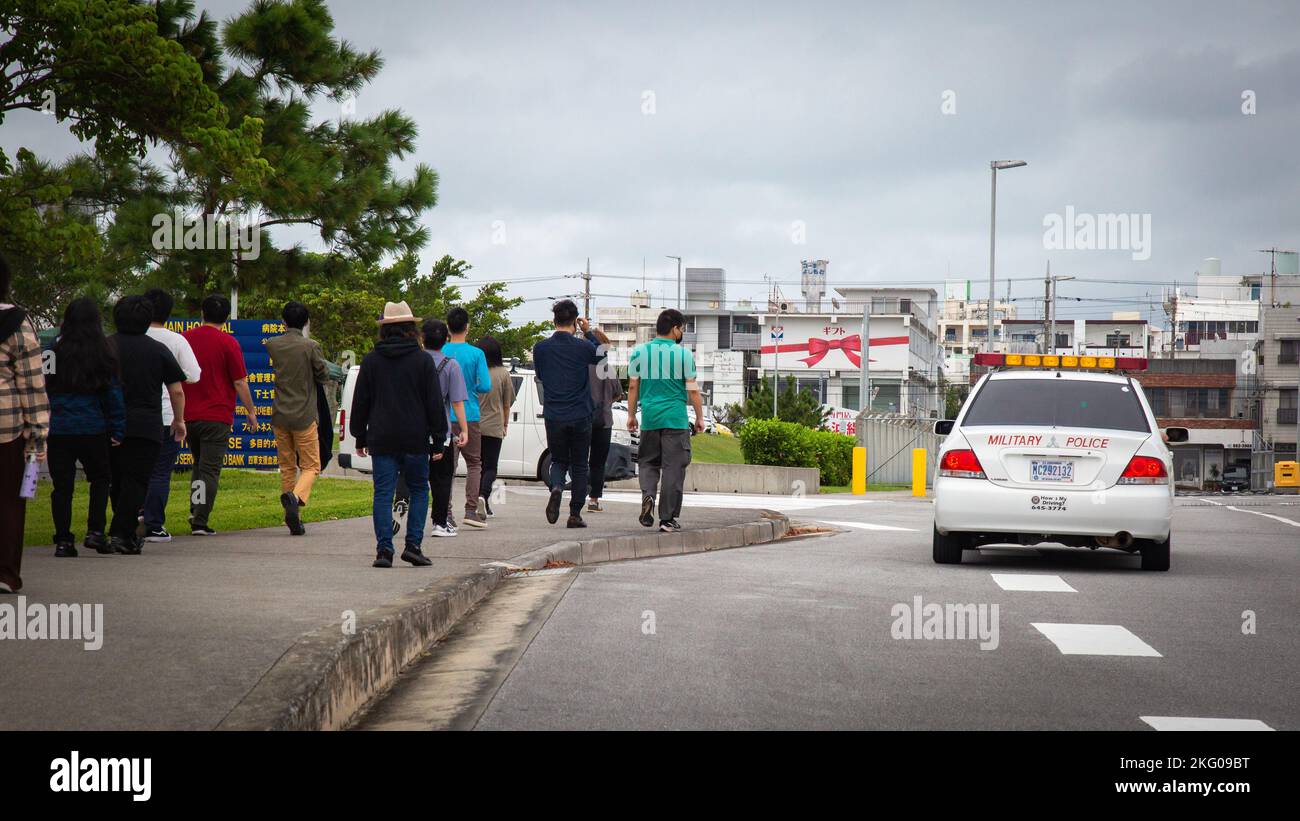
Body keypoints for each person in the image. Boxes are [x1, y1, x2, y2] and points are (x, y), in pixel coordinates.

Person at [350, 302, 446, 568]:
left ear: (385, 330)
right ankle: (413, 546)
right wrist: (439, 439)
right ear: (411, 329)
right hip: (415, 437)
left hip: (381, 437)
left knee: (383, 493)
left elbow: (362, 402)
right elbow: (434, 403)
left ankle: (384, 550)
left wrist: (360, 436)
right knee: (418, 490)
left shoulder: (371, 360)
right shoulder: (423, 360)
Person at [45, 298, 126, 557]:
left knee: (62, 486)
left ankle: (63, 540)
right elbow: (113, 394)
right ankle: (95, 532)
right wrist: (117, 428)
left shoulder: (53, 350)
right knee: (101, 479)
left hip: (58, 428)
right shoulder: (103, 351)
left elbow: (43, 388)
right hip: (93, 426)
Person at [107, 296, 187, 555]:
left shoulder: (106, 347)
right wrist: (179, 419)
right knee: (137, 479)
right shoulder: (157, 349)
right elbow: (176, 390)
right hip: (147, 425)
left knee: (116, 479)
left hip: (110, 423)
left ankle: (123, 529)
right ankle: (122, 532)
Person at [182, 294, 259, 536]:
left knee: (197, 464)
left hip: (188, 415)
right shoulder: (229, 343)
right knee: (210, 469)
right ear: (226, 317)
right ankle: (200, 520)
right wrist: (251, 411)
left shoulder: (185, 339)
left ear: (202, 313)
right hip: (216, 417)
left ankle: (195, 508)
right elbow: (239, 382)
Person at [627, 308, 703, 533]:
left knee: (648, 463)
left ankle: (649, 496)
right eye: (682, 329)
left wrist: (631, 415)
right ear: (675, 329)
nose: (682, 333)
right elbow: (693, 390)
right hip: (676, 421)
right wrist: (699, 417)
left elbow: (633, 386)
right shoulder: (683, 355)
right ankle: (667, 518)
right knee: (673, 469)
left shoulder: (639, 352)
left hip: (650, 418)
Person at [0, 252, 50, 592]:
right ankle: (5, 572)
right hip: (6, 428)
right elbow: (31, 383)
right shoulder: (17, 321)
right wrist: (37, 436)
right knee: (8, 501)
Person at [531, 299, 605, 528]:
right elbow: (602, 358)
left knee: (559, 459)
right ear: (574, 321)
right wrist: (589, 332)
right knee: (580, 464)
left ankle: (556, 487)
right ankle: (574, 514)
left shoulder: (540, 348)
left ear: (554, 321)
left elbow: (541, 376)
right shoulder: (583, 347)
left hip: (554, 413)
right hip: (580, 413)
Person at [141, 288, 201, 543]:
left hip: (130, 416)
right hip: (165, 415)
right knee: (159, 472)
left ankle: (131, 516)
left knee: (132, 470)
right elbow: (193, 375)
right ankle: (154, 524)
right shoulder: (175, 341)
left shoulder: (125, 339)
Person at [265, 301, 328, 536]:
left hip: (280, 413)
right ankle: (295, 497)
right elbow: (321, 374)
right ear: (306, 322)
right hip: (304, 414)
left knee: (287, 466)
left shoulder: (272, 345)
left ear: (283, 322)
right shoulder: (311, 346)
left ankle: (292, 517)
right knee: (312, 465)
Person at [442, 307, 492, 528]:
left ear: (447, 327)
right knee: (474, 463)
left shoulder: (439, 351)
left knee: (446, 468)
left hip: (443, 416)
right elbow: (486, 385)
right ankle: (470, 511)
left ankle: (446, 512)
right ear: (467, 327)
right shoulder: (476, 354)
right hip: (469, 414)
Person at [422, 319, 469, 538]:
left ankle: (402, 503)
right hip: (441, 431)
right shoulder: (451, 365)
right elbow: (457, 402)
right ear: (446, 339)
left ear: (422, 338)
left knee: (415, 477)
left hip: (413, 430)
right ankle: (440, 523)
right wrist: (464, 429)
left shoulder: (415, 362)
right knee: (441, 480)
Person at [475, 335, 515, 517]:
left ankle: (477, 501)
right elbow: (507, 403)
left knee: (476, 466)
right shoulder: (503, 373)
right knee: (490, 467)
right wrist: (505, 424)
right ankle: (483, 497)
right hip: (494, 425)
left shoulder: (474, 370)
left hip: (473, 425)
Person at [586, 326, 624, 512]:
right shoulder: (608, 369)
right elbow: (618, 393)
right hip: (604, 420)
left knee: (579, 459)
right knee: (598, 462)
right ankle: (593, 500)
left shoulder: (582, 367)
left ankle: (574, 498)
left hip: (583, 418)